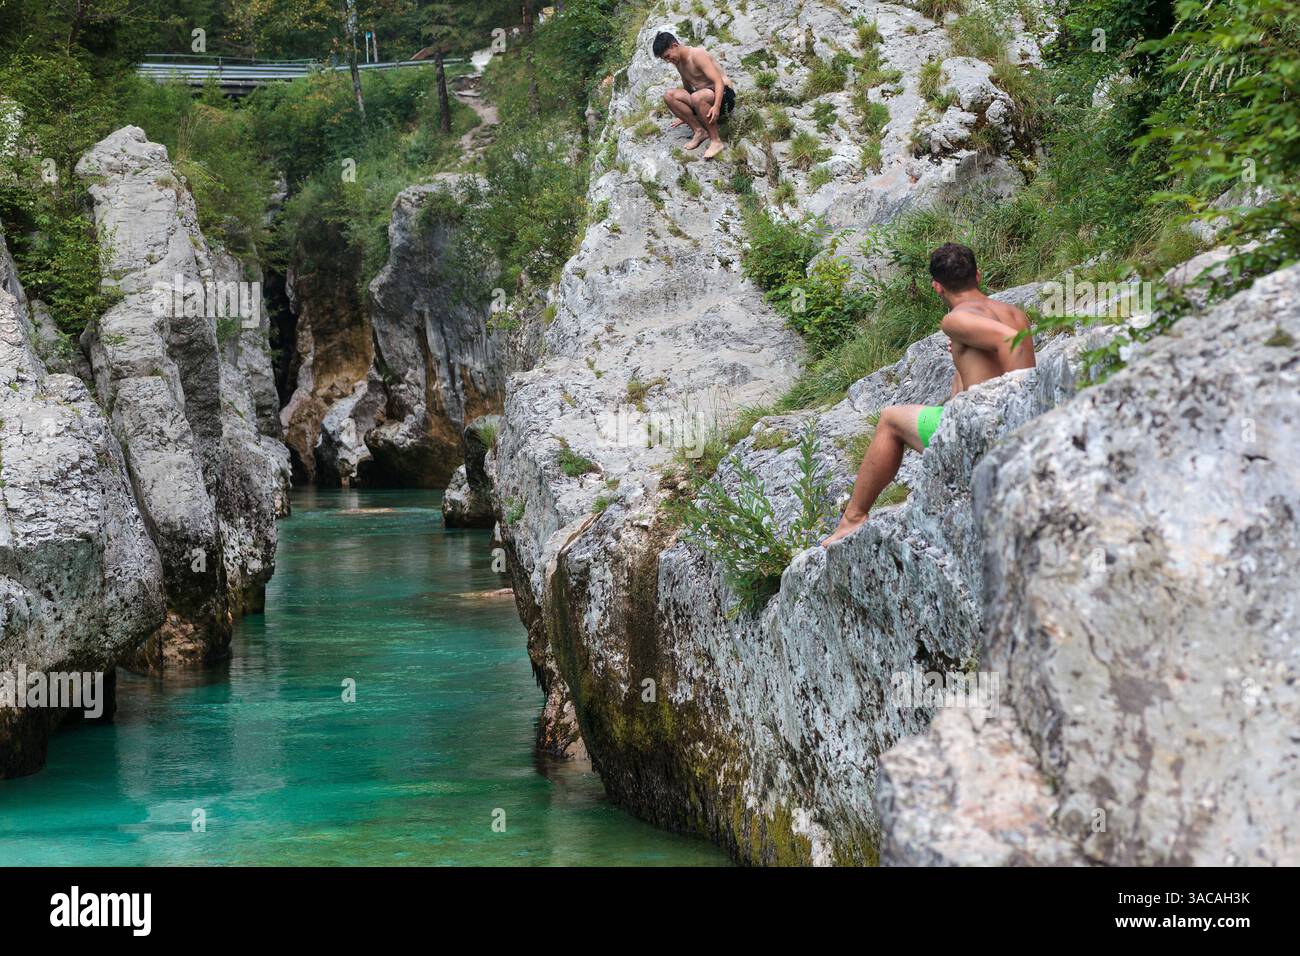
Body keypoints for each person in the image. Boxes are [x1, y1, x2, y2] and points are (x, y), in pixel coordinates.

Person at [821, 243, 1036, 547]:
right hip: (1011, 419)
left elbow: (1009, 342)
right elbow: (971, 386)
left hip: (984, 428)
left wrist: (1012, 409)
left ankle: (853, 518)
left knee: (890, 419)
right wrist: (962, 364)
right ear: (978, 274)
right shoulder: (1015, 313)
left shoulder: (955, 319)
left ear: (937, 287)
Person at [653, 31, 735, 159]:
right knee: (669, 96)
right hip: (703, 98)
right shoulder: (678, 62)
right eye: (665, 59)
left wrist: (717, 106)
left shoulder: (697, 55)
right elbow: (687, 87)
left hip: (724, 96)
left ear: (675, 45)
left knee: (697, 96)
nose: (668, 61)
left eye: (668, 56)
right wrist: (684, 113)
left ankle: (716, 141)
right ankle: (699, 131)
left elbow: (718, 81)